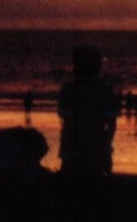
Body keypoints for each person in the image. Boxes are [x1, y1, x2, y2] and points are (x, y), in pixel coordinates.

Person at [57, 46, 119, 179]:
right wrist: (104, 146)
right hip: (97, 149)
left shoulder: (68, 89)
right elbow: (112, 125)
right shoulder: (106, 90)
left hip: (72, 149)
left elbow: (64, 116)